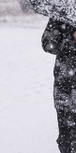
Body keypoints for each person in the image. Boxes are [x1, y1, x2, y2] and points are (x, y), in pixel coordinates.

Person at [42, 18, 76, 153]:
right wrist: (71, 39)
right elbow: (47, 43)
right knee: (67, 139)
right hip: (65, 86)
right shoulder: (62, 15)